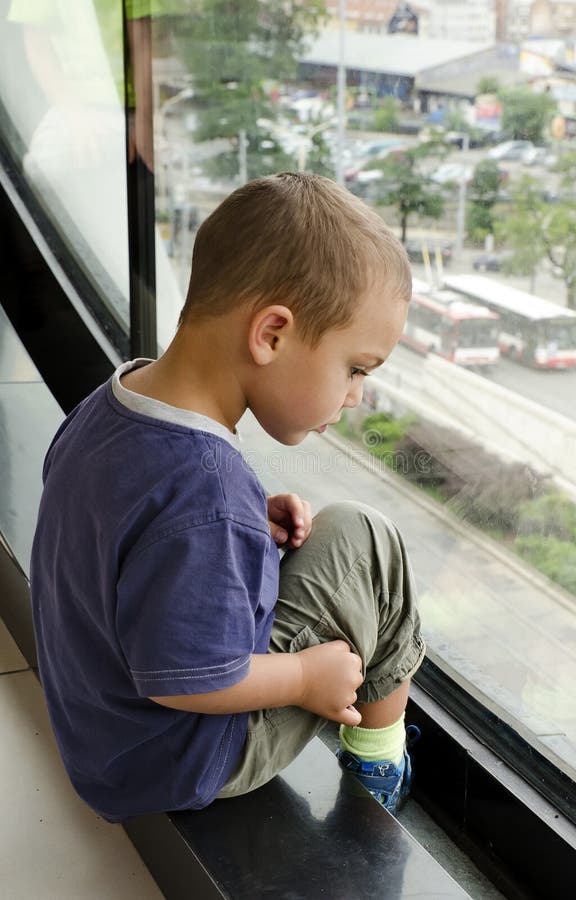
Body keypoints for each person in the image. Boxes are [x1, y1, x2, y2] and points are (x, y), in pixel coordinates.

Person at [30, 172, 425, 823]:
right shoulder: (207, 492)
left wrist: (240, 525)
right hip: (182, 758)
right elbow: (192, 678)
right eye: (355, 368)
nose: (355, 396)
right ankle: (378, 762)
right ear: (271, 334)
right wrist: (305, 679)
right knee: (365, 540)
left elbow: (121, 538)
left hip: (101, 735)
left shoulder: (109, 407)